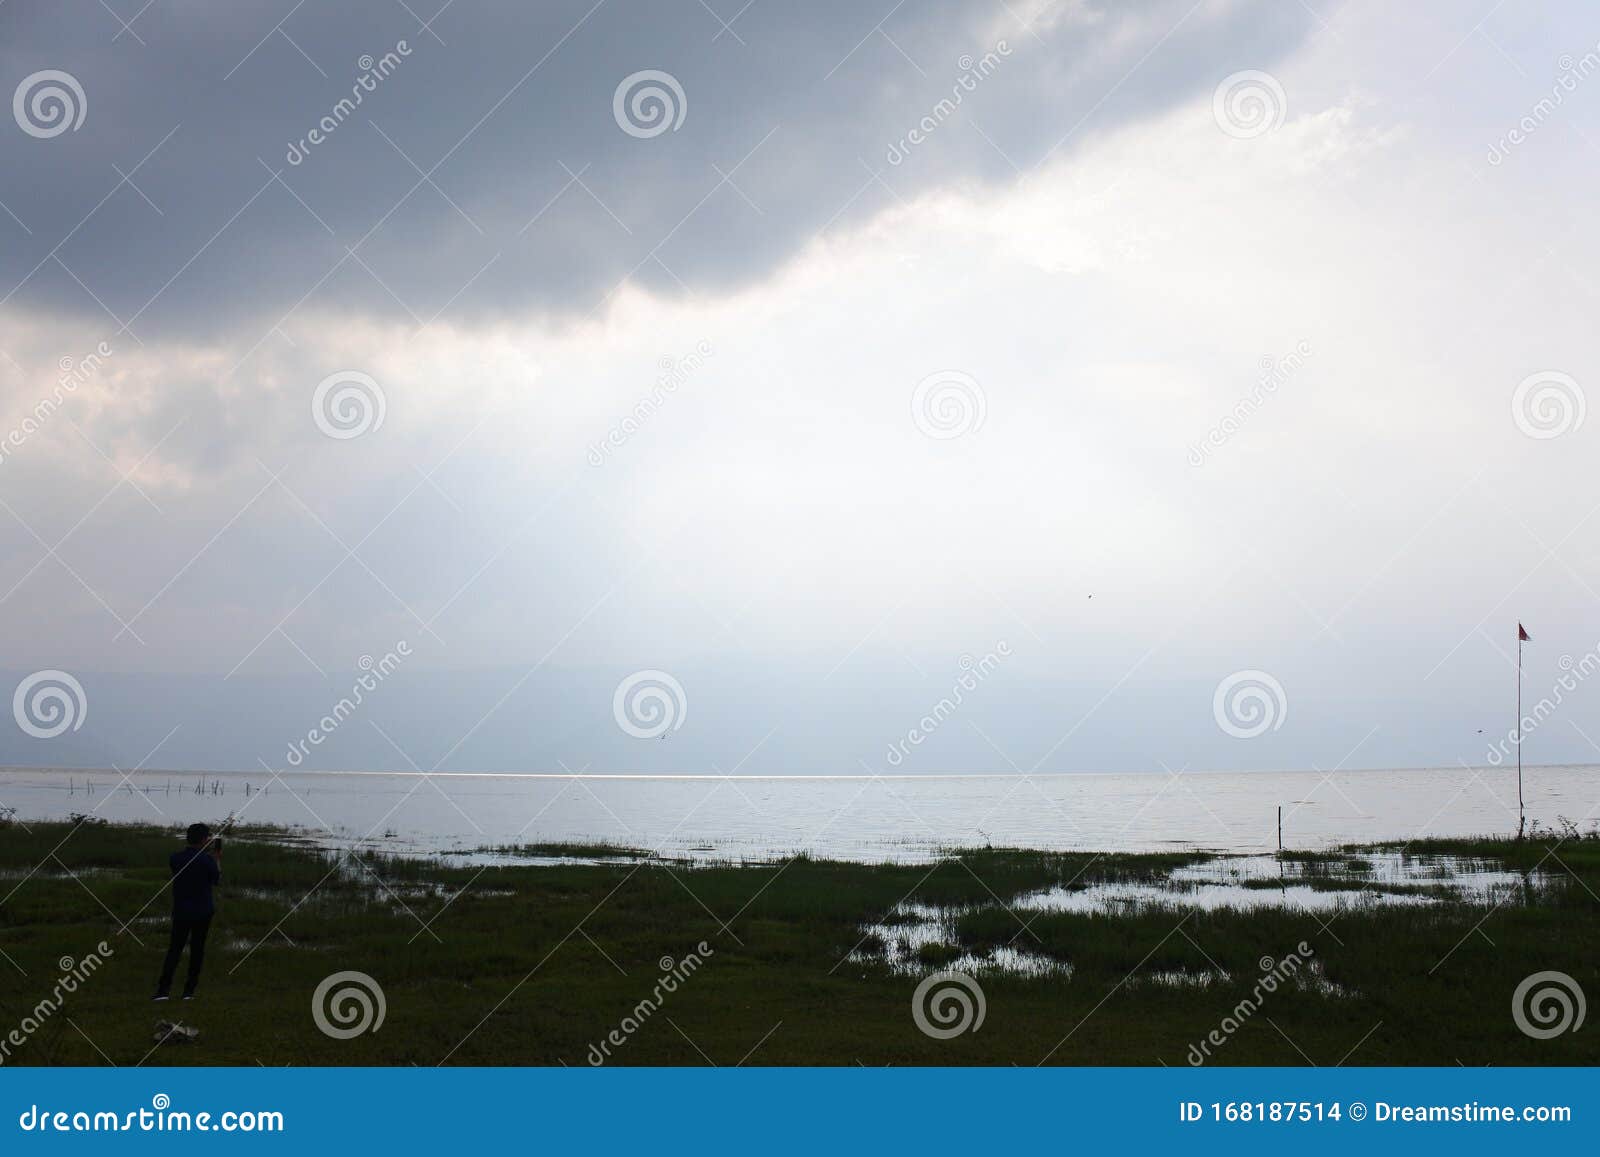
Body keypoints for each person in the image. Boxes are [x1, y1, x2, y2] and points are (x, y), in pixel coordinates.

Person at [154, 822, 221, 1001]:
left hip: (181, 911)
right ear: (204, 840)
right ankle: (189, 992)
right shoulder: (207, 860)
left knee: (174, 950)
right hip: (203, 911)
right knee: (197, 950)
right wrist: (216, 859)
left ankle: (163, 991)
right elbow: (216, 878)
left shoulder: (175, 858)